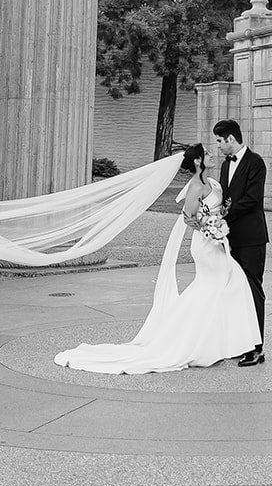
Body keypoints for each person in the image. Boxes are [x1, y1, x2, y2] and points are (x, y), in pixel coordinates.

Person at [54, 142, 260, 374]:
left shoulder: (212, 182)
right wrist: (209, 230)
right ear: (197, 161)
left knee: (220, 287)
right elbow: (187, 217)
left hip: (217, 242)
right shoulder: (195, 186)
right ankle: (193, 341)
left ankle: (213, 342)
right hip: (206, 245)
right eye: (207, 154)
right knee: (224, 283)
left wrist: (219, 223)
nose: (213, 155)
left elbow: (217, 209)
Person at [212, 119, 268, 367]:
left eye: (220, 142)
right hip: (230, 236)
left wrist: (224, 215)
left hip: (252, 238)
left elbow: (252, 199)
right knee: (236, 291)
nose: (218, 147)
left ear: (231, 139)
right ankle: (242, 343)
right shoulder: (225, 165)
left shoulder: (255, 163)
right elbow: (226, 197)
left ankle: (257, 349)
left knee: (253, 291)